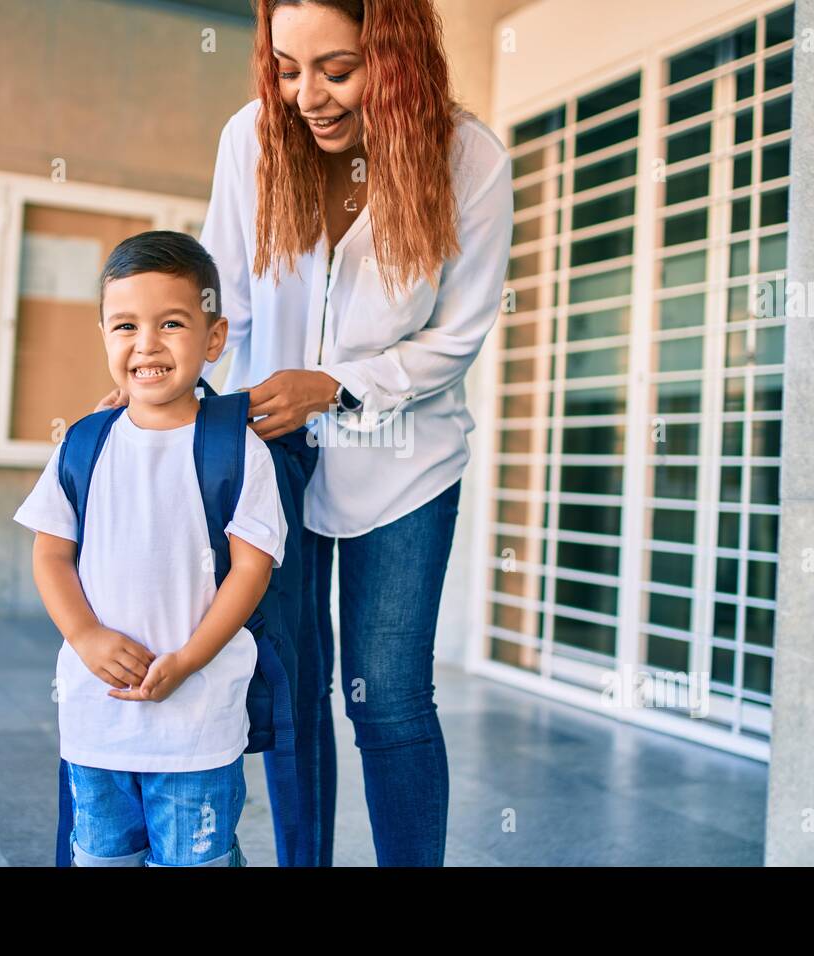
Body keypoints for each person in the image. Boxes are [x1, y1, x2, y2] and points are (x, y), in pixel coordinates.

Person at [98, 0, 513, 866]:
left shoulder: (469, 159)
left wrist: (337, 386)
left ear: (394, 55)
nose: (308, 96)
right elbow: (223, 309)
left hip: (406, 466)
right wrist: (161, 389)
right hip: (269, 458)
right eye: (288, 69)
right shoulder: (250, 140)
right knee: (290, 691)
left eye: (338, 69)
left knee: (389, 698)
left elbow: (457, 335)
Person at [16, 230, 288, 867]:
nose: (147, 345)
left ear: (213, 338)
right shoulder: (83, 443)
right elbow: (50, 554)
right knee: (103, 856)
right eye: (125, 326)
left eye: (172, 323)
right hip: (97, 722)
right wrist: (85, 637)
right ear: (104, 335)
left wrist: (190, 658)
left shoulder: (239, 451)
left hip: (198, 724)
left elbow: (250, 571)